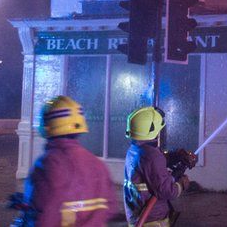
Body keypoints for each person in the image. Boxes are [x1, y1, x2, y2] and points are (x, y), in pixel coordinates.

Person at [16, 95, 116, 226]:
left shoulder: (47, 165)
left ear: (46, 126)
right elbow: (111, 208)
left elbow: (44, 217)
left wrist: (28, 208)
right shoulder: (98, 165)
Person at [123, 107, 190, 227]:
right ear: (153, 131)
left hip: (137, 217)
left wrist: (176, 155)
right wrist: (182, 183)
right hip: (152, 220)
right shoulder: (151, 156)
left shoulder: (134, 150)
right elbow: (167, 191)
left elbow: (152, 163)